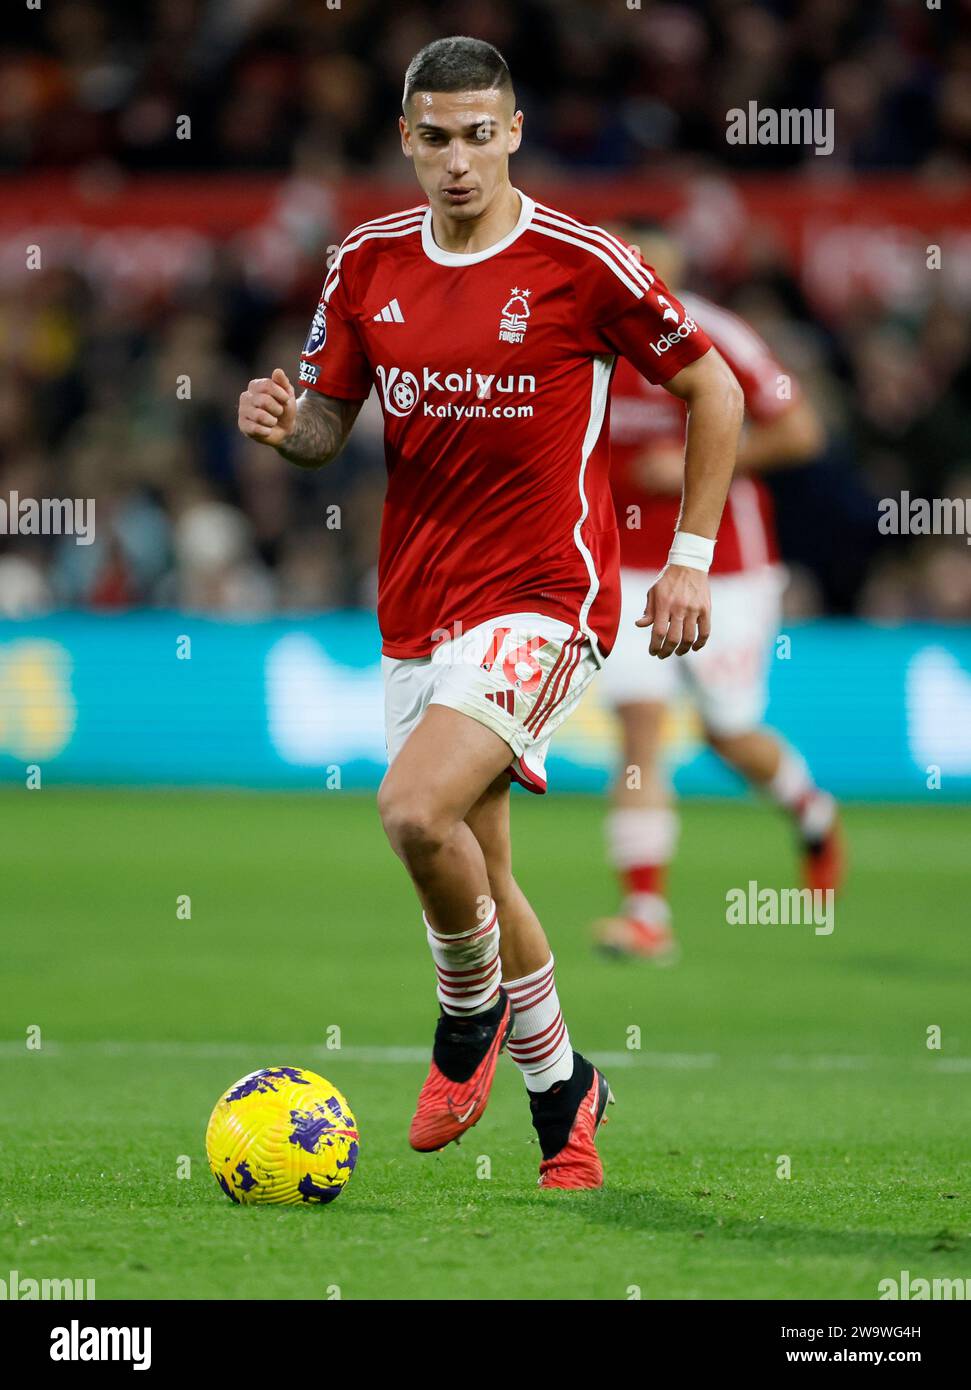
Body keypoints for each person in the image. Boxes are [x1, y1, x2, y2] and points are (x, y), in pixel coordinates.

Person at [237, 38, 742, 1189]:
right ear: (405, 141)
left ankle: (462, 1011)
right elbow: (326, 427)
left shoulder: (582, 262)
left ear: (512, 132)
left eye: (478, 134)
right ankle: (564, 1093)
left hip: (546, 595)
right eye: (434, 137)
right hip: (417, 604)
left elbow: (708, 387)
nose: (457, 160)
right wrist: (283, 424)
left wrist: (689, 560)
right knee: (478, 862)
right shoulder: (365, 264)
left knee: (415, 813)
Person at [595, 221, 842, 962]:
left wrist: (695, 462)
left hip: (720, 567)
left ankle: (810, 810)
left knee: (726, 734)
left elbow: (800, 432)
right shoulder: (580, 338)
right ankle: (645, 913)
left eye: (648, 263)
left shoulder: (713, 335)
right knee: (639, 726)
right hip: (624, 570)